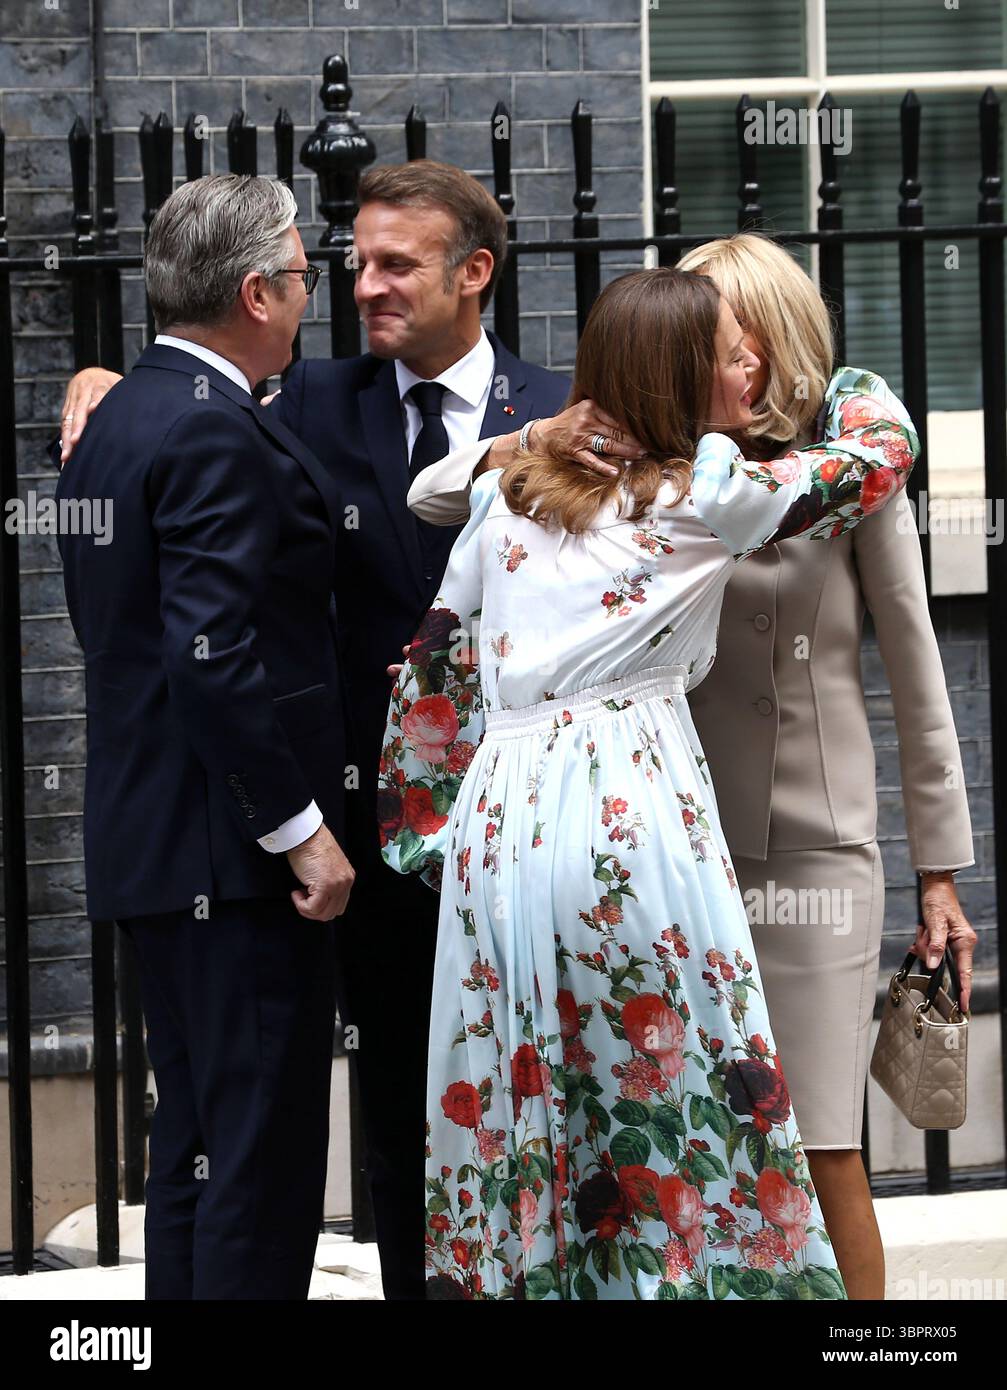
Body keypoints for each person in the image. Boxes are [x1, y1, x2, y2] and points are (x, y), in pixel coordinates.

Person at [55, 161, 608, 1300]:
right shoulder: (296, 398)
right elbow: (182, 411)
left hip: (512, 830)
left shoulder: (564, 410)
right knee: (291, 1142)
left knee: (529, 1104)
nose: (359, 287)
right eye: (342, 264)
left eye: (393, 263)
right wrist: (102, 374)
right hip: (330, 834)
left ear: (475, 273)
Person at [379, 266, 919, 1299]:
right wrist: (825, 370)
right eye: (730, 352)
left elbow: (435, 662)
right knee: (676, 1086)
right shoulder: (709, 500)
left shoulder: (509, 493)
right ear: (681, 379)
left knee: (526, 1092)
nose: (751, 362)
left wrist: (425, 824)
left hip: (503, 823)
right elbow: (878, 450)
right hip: (627, 807)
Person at [55, 174, 355, 1299]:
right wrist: (300, 832)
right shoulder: (210, 429)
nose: (311, 290)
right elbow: (211, 654)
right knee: (259, 1165)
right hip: (230, 862)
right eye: (301, 271)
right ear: (257, 294)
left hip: (149, 844)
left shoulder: (116, 417)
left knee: (191, 1146)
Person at [674, 234, 976, 1300]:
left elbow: (914, 665)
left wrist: (938, 872)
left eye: (715, 319)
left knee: (817, 1135)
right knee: (704, 1136)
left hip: (815, 856)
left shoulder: (852, 477)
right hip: (682, 852)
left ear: (767, 336)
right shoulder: (667, 467)